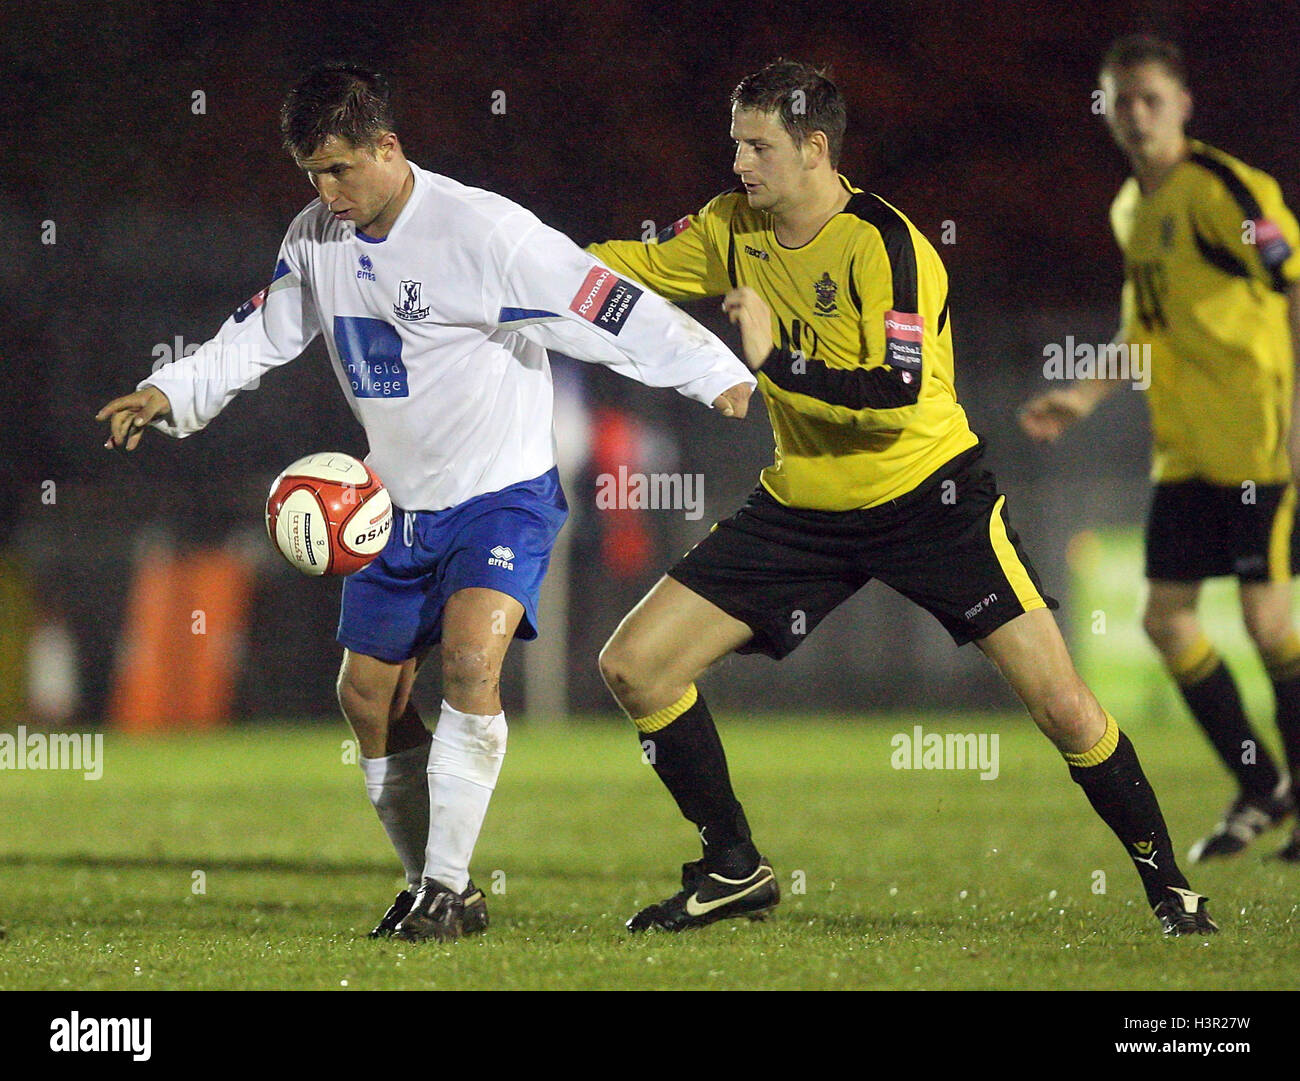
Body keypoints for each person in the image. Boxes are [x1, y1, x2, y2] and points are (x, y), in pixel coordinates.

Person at [97, 63, 755, 942]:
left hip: (501, 494)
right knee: (368, 697)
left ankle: (444, 887)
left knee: (471, 663)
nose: (325, 192)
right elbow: (258, 334)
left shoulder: (482, 232)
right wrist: (166, 391)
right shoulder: (316, 239)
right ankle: (434, 883)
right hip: (396, 505)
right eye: (309, 175)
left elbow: (604, 305)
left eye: (338, 169)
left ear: (387, 148)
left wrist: (717, 375)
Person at [590, 59, 1216, 936]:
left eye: (757, 145)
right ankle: (733, 864)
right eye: (734, 143)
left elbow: (894, 392)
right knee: (635, 664)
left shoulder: (888, 243)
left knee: (1064, 705)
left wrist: (773, 362)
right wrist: (517, 268)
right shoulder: (732, 224)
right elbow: (626, 269)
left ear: (815, 149)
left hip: (930, 500)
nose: (738, 163)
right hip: (805, 507)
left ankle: (1170, 886)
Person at [1021, 35, 1300, 863]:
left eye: (1150, 98)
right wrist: (1082, 394)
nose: (1135, 114)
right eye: (1119, 100)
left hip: (1258, 443)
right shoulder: (1129, 209)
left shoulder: (1228, 189)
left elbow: (1293, 288)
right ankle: (1261, 786)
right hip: (1185, 454)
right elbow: (1143, 330)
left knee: (1265, 615)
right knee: (1168, 619)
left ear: (1182, 104)